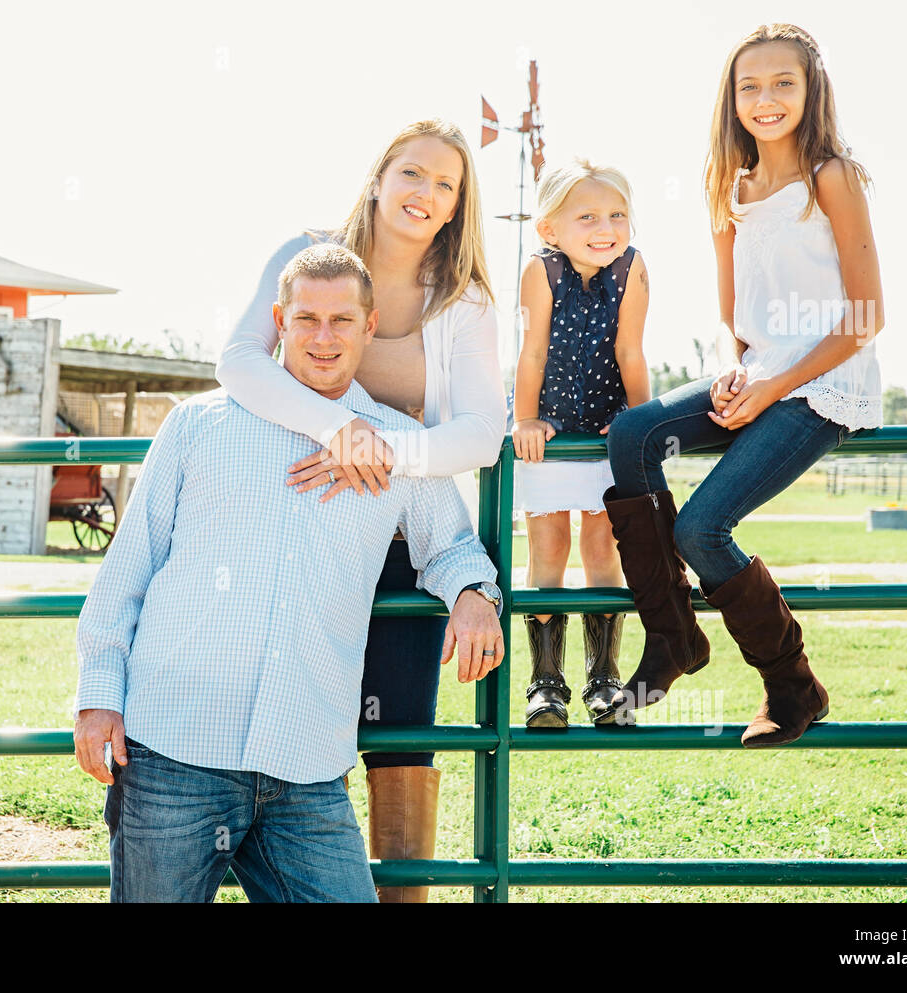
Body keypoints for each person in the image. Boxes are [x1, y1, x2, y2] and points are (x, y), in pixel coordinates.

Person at [75, 244, 505, 903]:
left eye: (341, 320)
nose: (324, 338)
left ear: (370, 324)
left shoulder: (393, 444)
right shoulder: (198, 424)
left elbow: (451, 545)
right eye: (307, 318)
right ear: (278, 320)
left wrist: (475, 594)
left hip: (305, 771)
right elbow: (129, 566)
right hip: (174, 754)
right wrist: (100, 692)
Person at [215, 119, 504, 901]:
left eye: (446, 185)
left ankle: (401, 893)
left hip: (401, 532)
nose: (425, 194)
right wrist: (336, 430)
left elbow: (481, 432)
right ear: (378, 178)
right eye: (412, 174)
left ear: (455, 208)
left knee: (401, 725)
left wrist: (382, 452)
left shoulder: (464, 300)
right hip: (294, 518)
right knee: (275, 699)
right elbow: (238, 360)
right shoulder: (307, 255)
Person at [602, 22, 884, 747]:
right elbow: (738, 312)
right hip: (761, 372)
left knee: (701, 528)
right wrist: (739, 369)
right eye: (749, 85)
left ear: (810, 89)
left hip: (824, 381)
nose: (766, 98)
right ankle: (673, 638)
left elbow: (866, 315)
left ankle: (792, 684)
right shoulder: (729, 186)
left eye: (783, 83)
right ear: (731, 99)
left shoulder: (831, 176)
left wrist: (774, 384)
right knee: (632, 433)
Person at [510, 160, 650, 728]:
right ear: (550, 229)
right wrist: (525, 419)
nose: (606, 226)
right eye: (587, 215)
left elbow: (631, 354)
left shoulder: (633, 269)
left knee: (602, 548)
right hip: (552, 430)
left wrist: (640, 426)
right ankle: (546, 684)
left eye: (617, 214)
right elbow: (533, 352)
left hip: (608, 431)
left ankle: (604, 678)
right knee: (548, 549)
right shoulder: (540, 272)